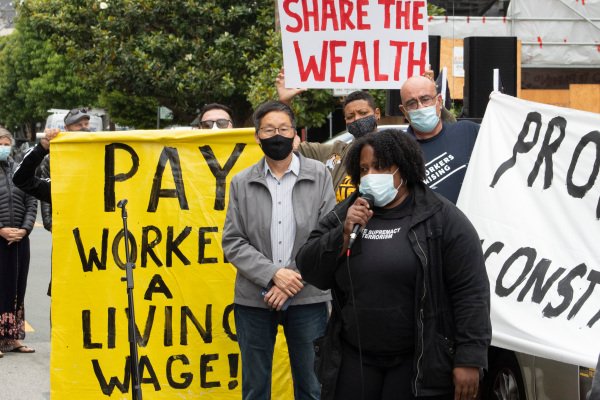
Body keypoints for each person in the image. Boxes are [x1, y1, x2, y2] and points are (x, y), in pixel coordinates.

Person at [296, 129, 491, 400]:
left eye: (380, 167)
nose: (371, 176)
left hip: (416, 359)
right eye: (364, 169)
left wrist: (470, 357)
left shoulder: (442, 218)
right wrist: (340, 234)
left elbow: (471, 292)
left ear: (404, 167)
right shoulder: (348, 212)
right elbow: (309, 267)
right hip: (355, 355)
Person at [222, 100, 335, 400]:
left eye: (283, 129)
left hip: (308, 297)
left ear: (295, 134)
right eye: (269, 129)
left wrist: (292, 280)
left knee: (312, 387)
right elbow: (233, 241)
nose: (277, 135)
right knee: (255, 388)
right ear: (257, 136)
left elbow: (328, 238)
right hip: (254, 301)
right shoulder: (241, 182)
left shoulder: (320, 174)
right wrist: (274, 275)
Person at [400, 75, 479, 204]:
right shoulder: (399, 151)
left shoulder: (468, 132)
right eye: (411, 103)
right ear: (404, 111)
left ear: (439, 101)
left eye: (425, 99)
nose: (420, 107)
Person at [0, 128, 38, 356]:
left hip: (20, 241)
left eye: (6, 143)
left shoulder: (19, 171)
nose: (4, 147)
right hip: (0, 239)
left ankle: (12, 337)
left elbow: (32, 200)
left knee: (17, 288)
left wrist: (25, 229)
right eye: (0, 143)